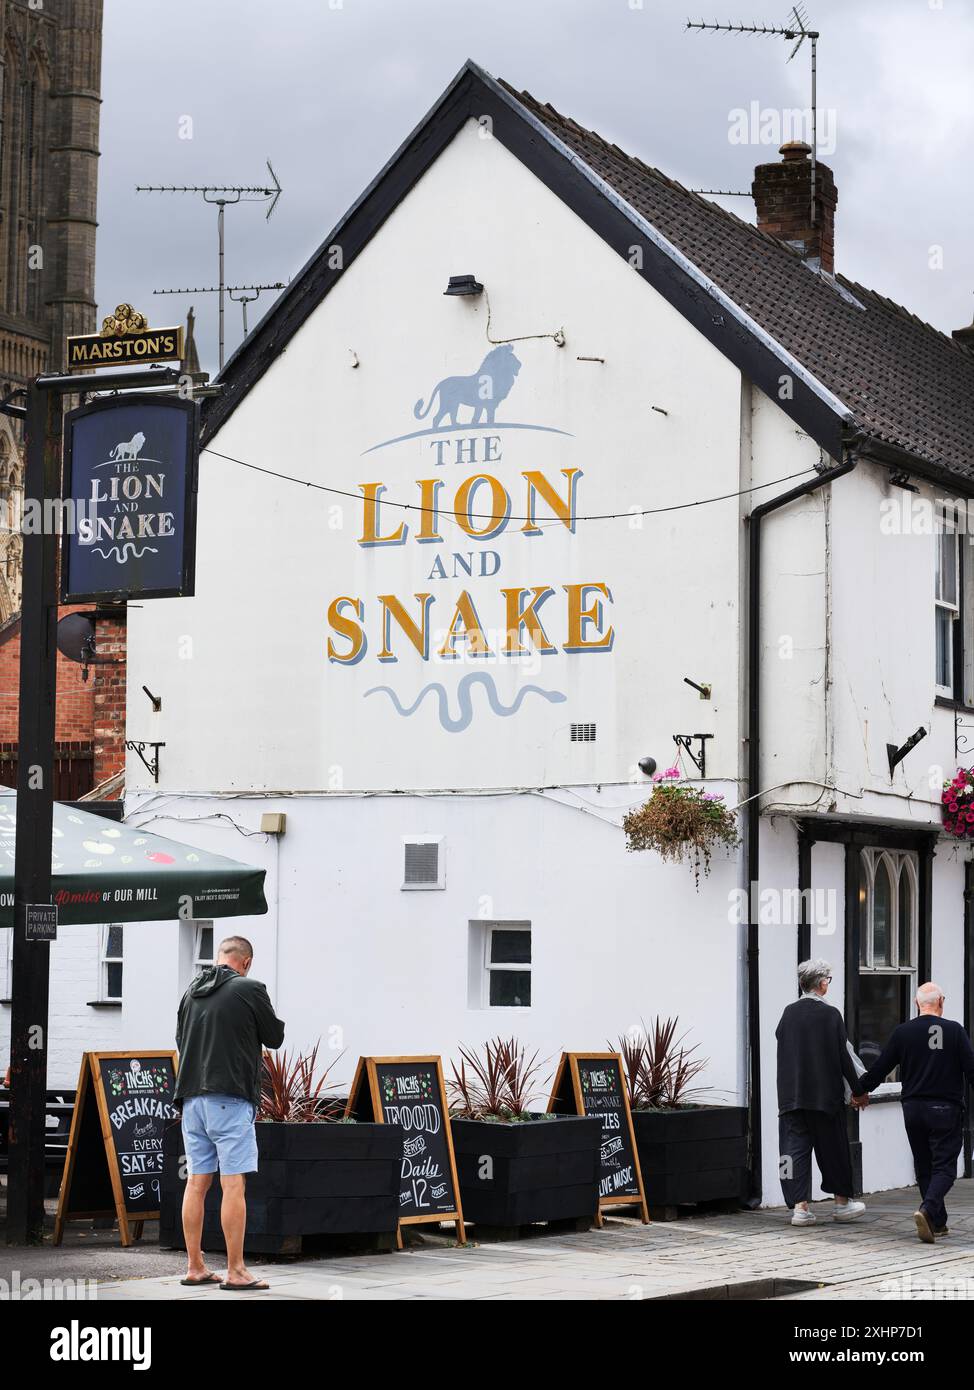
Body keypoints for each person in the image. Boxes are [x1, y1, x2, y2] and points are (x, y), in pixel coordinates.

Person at [175, 934, 285, 1290]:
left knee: (196, 1182)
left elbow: (181, 1040)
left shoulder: (190, 992)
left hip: (191, 1099)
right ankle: (236, 1271)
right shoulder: (250, 989)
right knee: (233, 1183)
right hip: (230, 1098)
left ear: (219, 957)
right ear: (246, 961)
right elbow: (275, 1036)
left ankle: (195, 1267)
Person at [853, 981, 974, 1244]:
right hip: (945, 1108)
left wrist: (860, 1091)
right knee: (945, 1168)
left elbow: (880, 1067)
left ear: (916, 1004)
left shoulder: (903, 1032)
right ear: (941, 1002)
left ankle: (937, 1223)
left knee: (923, 1164)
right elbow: (971, 1070)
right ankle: (927, 1209)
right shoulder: (955, 1031)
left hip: (913, 1109)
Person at [776, 958, 867, 1226]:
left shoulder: (788, 1013)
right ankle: (841, 1204)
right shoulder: (830, 1015)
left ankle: (800, 1208)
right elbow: (843, 1056)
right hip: (824, 1096)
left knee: (793, 1152)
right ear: (823, 983)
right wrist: (859, 1089)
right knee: (834, 1149)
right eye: (828, 979)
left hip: (791, 1097)